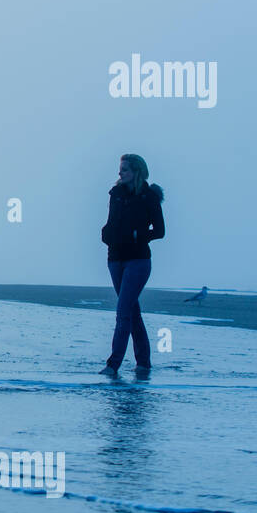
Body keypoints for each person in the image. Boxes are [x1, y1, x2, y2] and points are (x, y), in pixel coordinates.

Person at [99, 154, 165, 378]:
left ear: (137, 171)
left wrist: (137, 235)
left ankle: (112, 365)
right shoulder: (115, 194)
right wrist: (106, 233)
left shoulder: (149, 196)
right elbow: (111, 222)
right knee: (131, 312)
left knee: (123, 312)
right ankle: (144, 363)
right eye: (120, 169)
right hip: (115, 259)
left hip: (138, 260)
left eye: (125, 169)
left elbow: (159, 231)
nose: (120, 173)